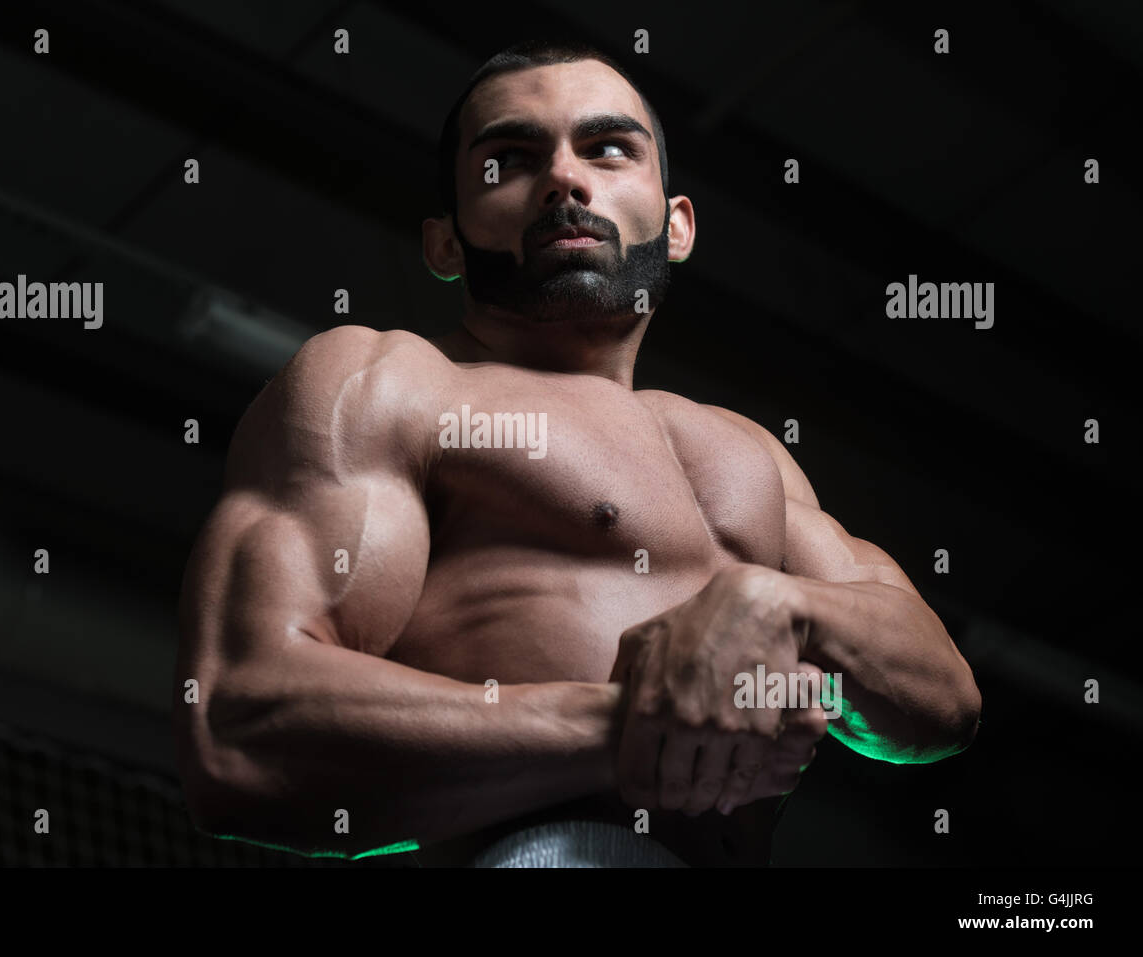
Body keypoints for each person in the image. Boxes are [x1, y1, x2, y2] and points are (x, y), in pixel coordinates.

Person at [172, 39, 982, 867]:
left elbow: (942, 699)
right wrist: (627, 727)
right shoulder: (385, 382)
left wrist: (779, 606)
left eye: (607, 148)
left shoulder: (750, 457)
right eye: (510, 159)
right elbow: (240, 724)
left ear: (677, 227)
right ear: (446, 243)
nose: (564, 177)